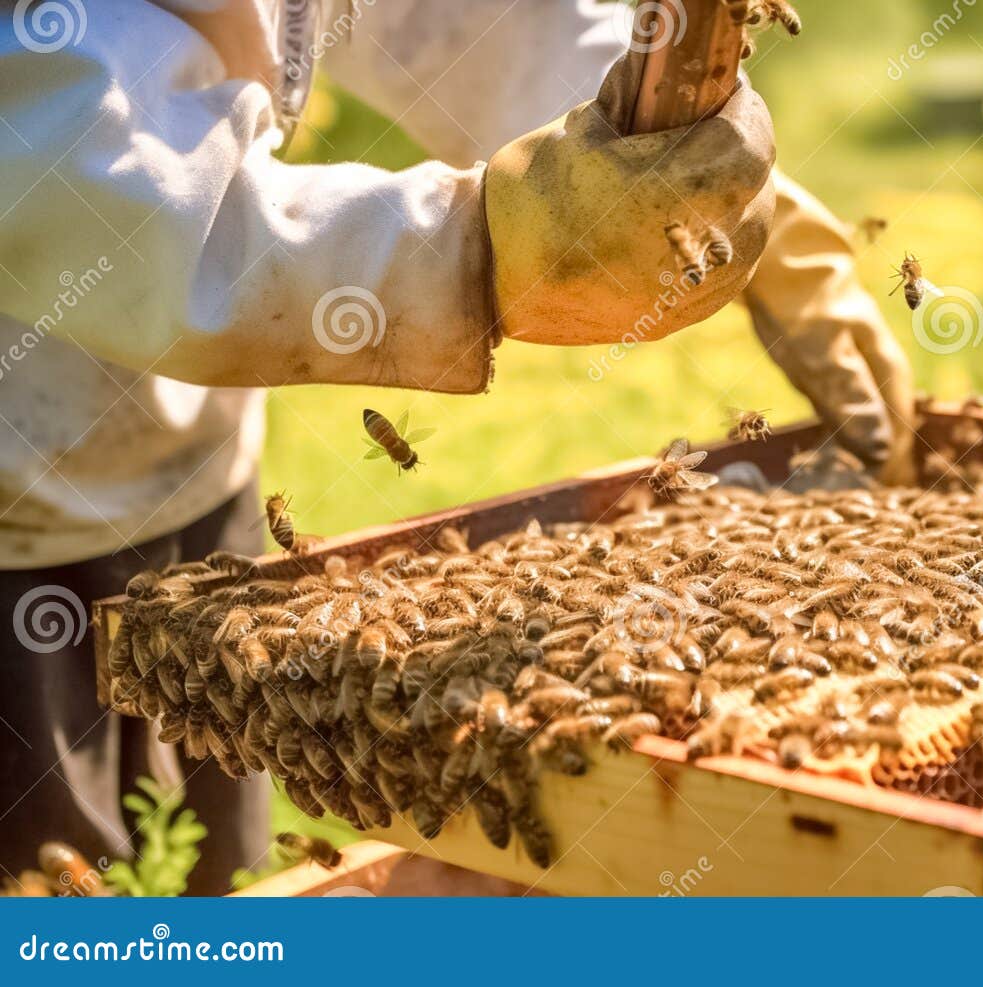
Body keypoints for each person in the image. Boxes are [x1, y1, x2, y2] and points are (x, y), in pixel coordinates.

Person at [0, 0, 912, 894]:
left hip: (200, 483)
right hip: (15, 519)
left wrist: (666, 154)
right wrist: (473, 243)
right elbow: (50, 167)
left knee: (216, 898)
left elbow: (450, 20)